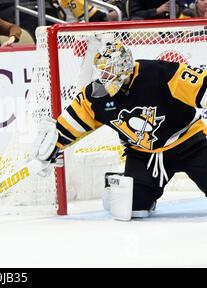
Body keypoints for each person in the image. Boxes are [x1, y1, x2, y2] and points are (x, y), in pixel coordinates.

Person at [32, 40, 207, 221]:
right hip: (143, 154)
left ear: (125, 67)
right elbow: (73, 123)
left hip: (190, 143)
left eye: (110, 70)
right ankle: (120, 184)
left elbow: (202, 84)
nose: (105, 76)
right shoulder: (95, 95)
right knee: (132, 209)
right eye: (103, 71)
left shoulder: (160, 73)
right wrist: (53, 146)